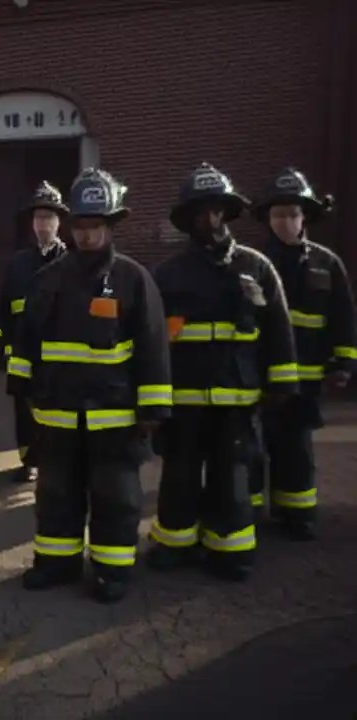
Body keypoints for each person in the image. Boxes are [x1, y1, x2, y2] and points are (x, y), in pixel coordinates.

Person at [7, 168, 170, 603]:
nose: (87, 235)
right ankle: (56, 563)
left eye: (95, 226)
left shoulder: (134, 280)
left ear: (111, 225)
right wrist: (22, 392)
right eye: (80, 226)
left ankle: (112, 570)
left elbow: (154, 348)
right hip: (57, 414)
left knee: (114, 496)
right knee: (56, 493)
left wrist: (152, 412)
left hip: (114, 418)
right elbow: (26, 342)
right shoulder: (47, 279)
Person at [149, 162, 298, 581]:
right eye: (200, 212)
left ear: (228, 213)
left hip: (238, 402)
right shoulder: (169, 275)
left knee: (232, 480)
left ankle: (229, 551)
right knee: (178, 477)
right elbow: (154, 343)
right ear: (188, 219)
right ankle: (175, 544)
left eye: (216, 210)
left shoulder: (257, 268)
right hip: (183, 402)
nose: (209, 220)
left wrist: (282, 385)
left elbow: (278, 331)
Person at [249, 167, 353, 540]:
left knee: (296, 449)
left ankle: (297, 514)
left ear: (305, 216)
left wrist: (344, 362)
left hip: (306, 377)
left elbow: (343, 316)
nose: (286, 222)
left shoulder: (327, 263)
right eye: (278, 215)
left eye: (293, 214)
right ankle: (249, 512)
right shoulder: (254, 264)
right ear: (267, 219)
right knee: (254, 447)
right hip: (261, 376)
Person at [0, 182, 68, 482]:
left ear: (59, 223)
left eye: (49, 219)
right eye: (39, 219)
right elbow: (5, 307)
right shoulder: (18, 263)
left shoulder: (70, 261)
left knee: (58, 406)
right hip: (24, 351)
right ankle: (29, 461)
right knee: (25, 410)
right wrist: (4, 345)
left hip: (61, 352)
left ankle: (57, 460)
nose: (44, 225)